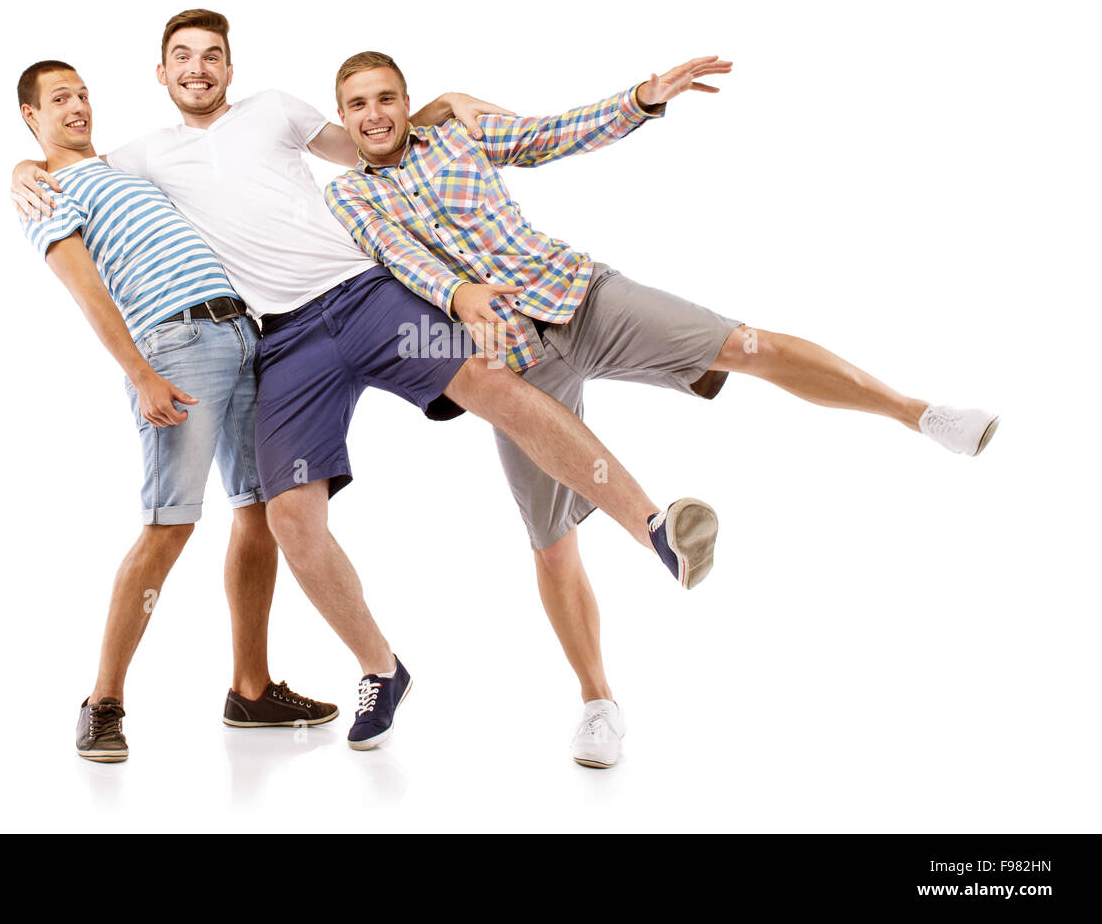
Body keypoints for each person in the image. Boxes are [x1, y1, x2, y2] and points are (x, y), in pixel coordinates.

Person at [12, 11, 717, 755]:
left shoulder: (275, 109)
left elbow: (376, 139)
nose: (198, 68)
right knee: (289, 517)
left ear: (230, 67)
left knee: (498, 388)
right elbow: (69, 166)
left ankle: (653, 527)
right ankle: (382, 670)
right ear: (161, 74)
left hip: (368, 297)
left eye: (212, 55)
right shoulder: (142, 156)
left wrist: (442, 105)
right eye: (182, 57)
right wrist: (22, 167)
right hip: (283, 343)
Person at [325, 50, 1000, 768]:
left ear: (407, 101)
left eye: (387, 98)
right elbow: (399, 256)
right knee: (551, 544)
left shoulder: (460, 133)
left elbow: (549, 135)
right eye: (358, 104)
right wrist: (460, 295)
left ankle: (920, 414)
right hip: (512, 362)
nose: (375, 114)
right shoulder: (350, 197)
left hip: (580, 295)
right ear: (343, 117)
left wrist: (641, 99)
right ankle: (598, 704)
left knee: (747, 344)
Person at [16, 60, 337, 763]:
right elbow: (87, 291)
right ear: (31, 116)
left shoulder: (119, 170)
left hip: (245, 335)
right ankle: (103, 703)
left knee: (260, 511)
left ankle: (251, 689)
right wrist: (141, 374)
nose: (77, 106)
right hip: (176, 349)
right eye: (59, 98)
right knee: (169, 525)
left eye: (82, 94)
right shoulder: (46, 192)